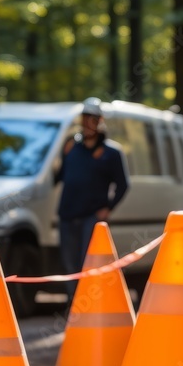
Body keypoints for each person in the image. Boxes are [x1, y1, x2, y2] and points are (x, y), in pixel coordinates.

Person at [55, 98, 130, 301]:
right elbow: (59, 176)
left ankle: (88, 305)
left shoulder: (111, 153)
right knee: (69, 264)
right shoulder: (71, 147)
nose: (88, 122)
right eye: (85, 117)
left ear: (99, 121)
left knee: (88, 262)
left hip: (92, 216)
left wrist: (108, 208)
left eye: (92, 118)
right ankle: (73, 303)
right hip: (67, 215)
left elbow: (123, 185)